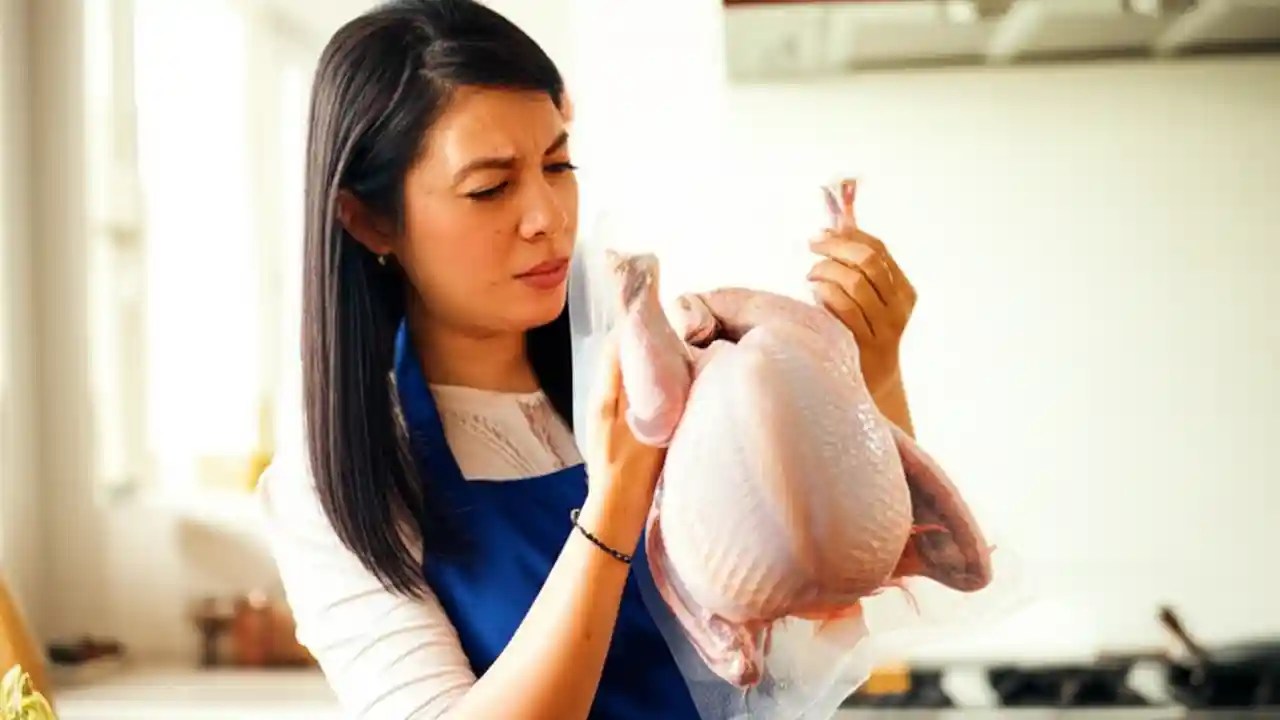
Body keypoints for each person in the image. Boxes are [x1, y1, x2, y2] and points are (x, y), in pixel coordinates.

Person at [258, 1, 919, 718]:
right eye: (489, 188)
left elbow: (828, 601)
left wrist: (870, 372)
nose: (548, 216)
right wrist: (615, 499)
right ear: (368, 219)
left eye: (557, 164)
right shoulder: (341, 478)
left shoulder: (656, 380)